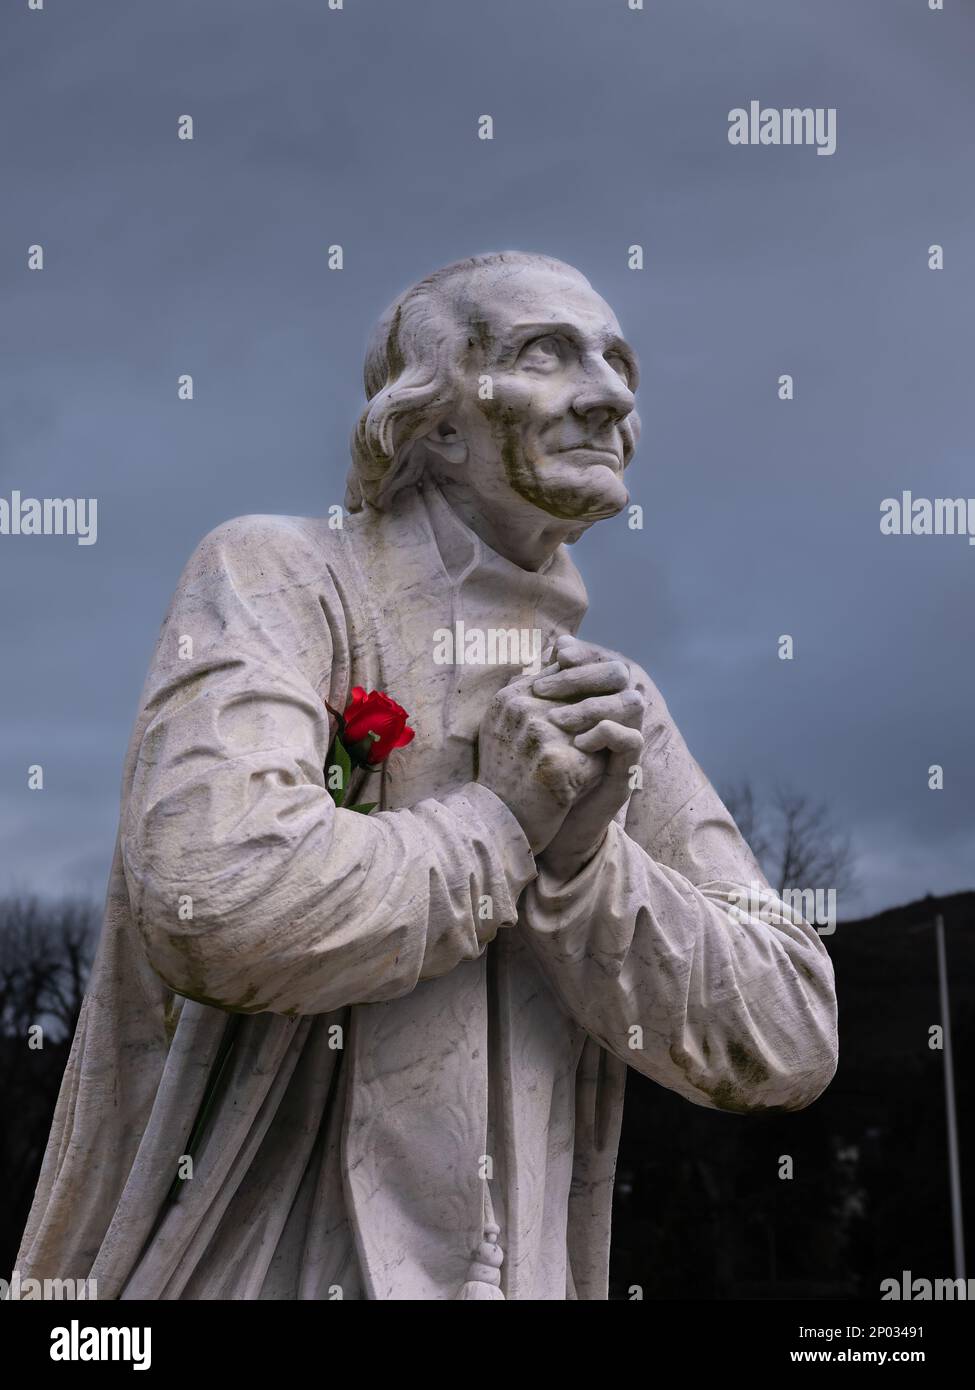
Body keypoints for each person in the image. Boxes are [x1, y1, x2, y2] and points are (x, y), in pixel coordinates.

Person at [15, 251, 838, 1300]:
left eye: (618, 361)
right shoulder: (282, 575)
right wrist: (499, 825)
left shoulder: (608, 701)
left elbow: (790, 1037)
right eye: (548, 353)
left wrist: (583, 868)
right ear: (436, 424)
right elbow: (214, 899)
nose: (611, 391)